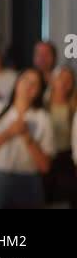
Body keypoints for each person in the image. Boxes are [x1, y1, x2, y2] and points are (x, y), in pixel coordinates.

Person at [0, 69, 55, 209]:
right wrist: (8, 133)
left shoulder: (43, 118)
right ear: (17, 82)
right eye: (25, 80)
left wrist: (27, 137)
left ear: (39, 91)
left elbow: (45, 166)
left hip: (27, 180)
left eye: (34, 83)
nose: (28, 86)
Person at [46, 66, 77, 206]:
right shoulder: (42, 104)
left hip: (67, 159)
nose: (64, 83)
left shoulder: (74, 106)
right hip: (46, 157)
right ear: (52, 81)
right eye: (61, 78)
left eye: (68, 79)